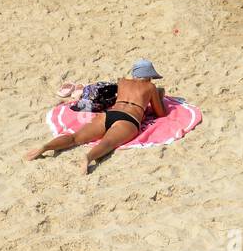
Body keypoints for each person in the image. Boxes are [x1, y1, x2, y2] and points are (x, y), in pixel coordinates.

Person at [25, 59, 168, 174]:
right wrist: (160, 96)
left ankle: (45, 147)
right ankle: (88, 157)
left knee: (75, 138)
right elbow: (160, 113)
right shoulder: (150, 88)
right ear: (149, 76)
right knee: (107, 143)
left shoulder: (122, 81)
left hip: (109, 114)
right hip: (128, 119)